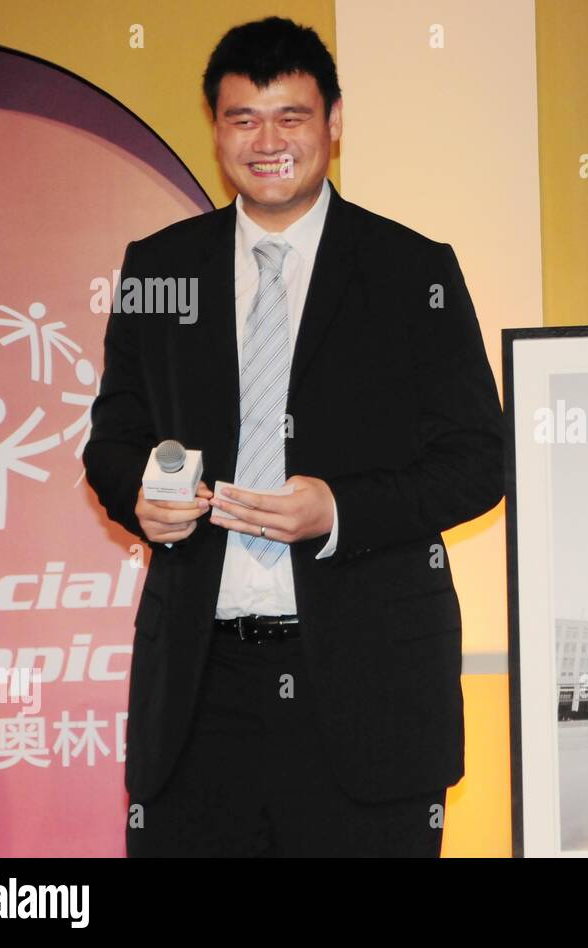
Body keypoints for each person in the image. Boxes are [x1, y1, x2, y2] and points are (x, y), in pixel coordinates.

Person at [83, 17, 504, 856]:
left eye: (291, 117)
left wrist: (339, 509)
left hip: (367, 686)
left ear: (334, 122)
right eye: (243, 119)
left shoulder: (410, 271)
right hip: (199, 695)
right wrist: (138, 496)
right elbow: (114, 435)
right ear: (216, 131)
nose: (266, 141)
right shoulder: (161, 269)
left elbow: (478, 461)